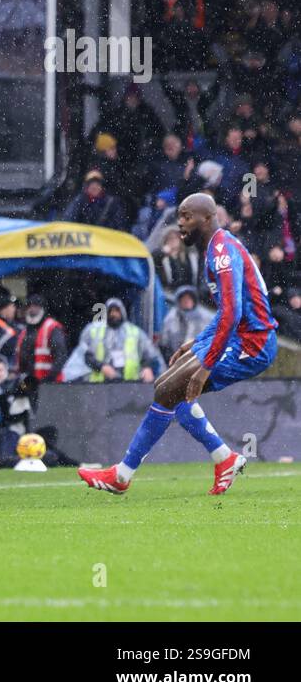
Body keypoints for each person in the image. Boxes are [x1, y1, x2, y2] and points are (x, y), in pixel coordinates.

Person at [79, 193, 276, 496]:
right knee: (165, 386)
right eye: (180, 216)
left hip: (254, 343)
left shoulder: (222, 252)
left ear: (208, 219)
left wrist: (204, 366)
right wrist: (197, 341)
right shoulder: (217, 247)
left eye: (187, 217)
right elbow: (228, 312)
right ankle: (224, 458)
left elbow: (234, 314)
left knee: (170, 391)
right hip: (239, 336)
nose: (180, 224)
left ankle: (122, 475)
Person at [61, 298, 164, 383]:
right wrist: (101, 367)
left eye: (117, 311)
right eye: (110, 311)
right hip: (99, 386)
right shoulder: (93, 331)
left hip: (130, 385)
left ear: (122, 312)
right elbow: (85, 354)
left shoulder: (135, 332)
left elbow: (148, 353)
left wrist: (147, 367)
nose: (113, 314)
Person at [18, 294, 69, 382]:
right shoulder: (25, 330)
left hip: (49, 382)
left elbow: (60, 356)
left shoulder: (52, 328)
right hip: (30, 381)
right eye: (29, 306)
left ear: (43, 309)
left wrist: (49, 378)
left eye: (36, 306)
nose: (32, 309)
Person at [158, 285, 214, 361]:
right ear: (179, 301)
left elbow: (211, 339)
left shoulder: (205, 317)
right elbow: (164, 343)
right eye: (184, 299)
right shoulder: (171, 318)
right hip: (176, 359)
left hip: (199, 360)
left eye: (189, 298)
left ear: (194, 300)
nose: (186, 301)